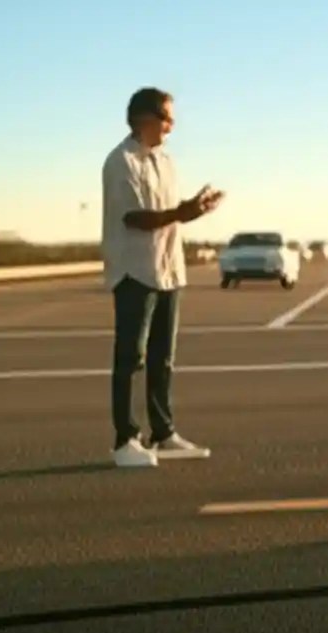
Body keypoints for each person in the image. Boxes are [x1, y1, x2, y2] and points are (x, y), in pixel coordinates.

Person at [101, 86, 224, 468]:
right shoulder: (121, 162)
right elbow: (135, 218)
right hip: (135, 270)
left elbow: (171, 213)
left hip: (168, 270)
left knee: (162, 359)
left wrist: (194, 210)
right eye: (167, 117)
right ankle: (126, 440)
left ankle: (163, 433)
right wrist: (182, 213)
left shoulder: (166, 162)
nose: (172, 124)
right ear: (144, 118)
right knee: (131, 358)